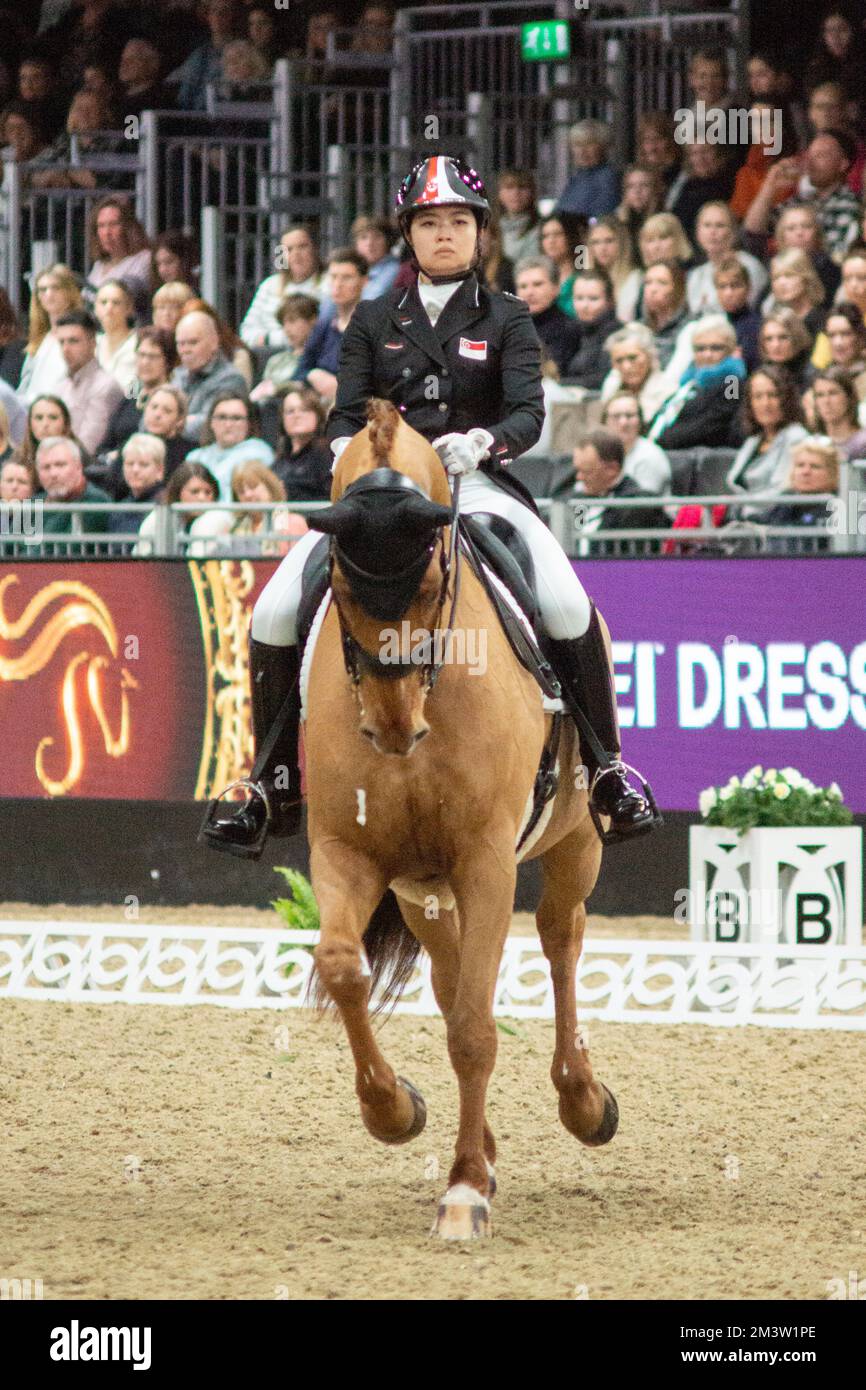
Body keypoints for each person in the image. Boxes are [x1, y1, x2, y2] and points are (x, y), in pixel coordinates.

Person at [202, 155, 661, 858]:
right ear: (409, 235)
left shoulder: (507, 315)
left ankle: (606, 769)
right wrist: (352, 460)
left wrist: (480, 443)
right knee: (271, 609)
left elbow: (529, 415)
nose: (443, 234)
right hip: (383, 494)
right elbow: (343, 415)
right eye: (428, 222)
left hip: (475, 487)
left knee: (567, 602)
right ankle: (271, 781)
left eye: (457, 222)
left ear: (479, 234)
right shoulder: (373, 318)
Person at [647, 315, 746, 451]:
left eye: (716, 348)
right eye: (700, 349)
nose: (707, 354)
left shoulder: (733, 381)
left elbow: (719, 420)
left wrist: (664, 439)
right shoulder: (688, 382)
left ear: (730, 350)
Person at [568, 429, 668, 556]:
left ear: (612, 469)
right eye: (578, 470)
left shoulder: (638, 506)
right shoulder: (579, 502)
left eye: (586, 472)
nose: (579, 477)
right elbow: (576, 534)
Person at [291, 248, 368, 401]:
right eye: (333, 277)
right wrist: (313, 375)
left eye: (347, 278)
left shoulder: (374, 327)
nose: (338, 284)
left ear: (364, 282)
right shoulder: (324, 326)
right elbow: (300, 371)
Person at [726, 365, 808, 495]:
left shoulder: (796, 437)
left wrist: (745, 506)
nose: (765, 403)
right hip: (741, 511)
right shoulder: (753, 440)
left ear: (787, 399)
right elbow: (733, 482)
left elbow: (783, 488)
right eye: (758, 396)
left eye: (773, 395)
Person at [239, 225, 325, 347]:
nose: (296, 254)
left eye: (302, 246)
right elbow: (246, 333)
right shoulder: (269, 285)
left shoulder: (331, 283)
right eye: (288, 249)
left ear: (315, 249)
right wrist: (273, 339)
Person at [753, 436, 840, 552]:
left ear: (832, 473)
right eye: (800, 465)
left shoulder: (839, 508)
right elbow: (761, 520)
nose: (805, 472)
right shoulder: (784, 501)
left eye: (815, 466)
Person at [55, 309, 124, 455]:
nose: (65, 349)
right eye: (61, 342)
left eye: (73, 341)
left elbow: (88, 447)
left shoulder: (106, 386)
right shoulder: (60, 384)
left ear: (93, 343)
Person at [172, 310, 248, 441]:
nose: (185, 350)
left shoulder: (231, 379)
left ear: (214, 342)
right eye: (181, 344)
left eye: (193, 342)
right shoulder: (178, 375)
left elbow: (209, 425)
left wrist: (170, 422)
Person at [186, 391, 274, 500]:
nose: (228, 424)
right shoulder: (195, 457)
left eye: (236, 418)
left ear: (249, 424)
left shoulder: (259, 452)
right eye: (222, 417)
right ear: (211, 422)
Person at [135, 459, 233, 556]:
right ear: (178, 493)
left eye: (208, 492)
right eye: (195, 491)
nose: (202, 498)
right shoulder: (158, 520)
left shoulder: (220, 520)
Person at [685, 201, 768, 314]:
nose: (712, 232)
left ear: (733, 232)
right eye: (707, 225)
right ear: (698, 233)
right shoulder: (697, 275)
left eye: (720, 225)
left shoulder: (749, 266)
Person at [18, 263, 84, 404]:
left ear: (69, 292)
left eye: (55, 288)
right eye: (42, 289)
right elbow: (24, 388)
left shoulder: (84, 338)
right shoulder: (40, 339)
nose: (48, 294)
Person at [35, 435, 111, 553]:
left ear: (78, 467)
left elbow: (68, 551)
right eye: (46, 467)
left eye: (60, 465)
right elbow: (7, 547)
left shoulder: (95, 502)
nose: (53, 473)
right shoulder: (32, 503)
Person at [513, 255, 577, 376]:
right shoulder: (511, 329)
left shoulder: (568, 329)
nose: (529, 292)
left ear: (556, 288)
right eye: (523, 286)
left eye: (537, 284)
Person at [249, 294, 320, 400]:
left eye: (292, 321)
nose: (286, 329)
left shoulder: (322, 359)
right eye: (283, 323)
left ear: (313, 320)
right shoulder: (275, 361)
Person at [600, 392, 671, 494]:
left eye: (629, 416)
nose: (623, 423)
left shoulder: (650, 456)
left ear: (640, 421)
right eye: (616, 416)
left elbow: (642, 506)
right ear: (604, 422)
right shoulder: (598, 453)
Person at [561, 269, 621, 390]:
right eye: (579, 298)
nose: (585, 306)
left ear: (609, 301)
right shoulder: (569, 331)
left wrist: (559, 384)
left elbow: (601, 379)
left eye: (593, 299)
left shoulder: (617, 334)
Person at [600, 323, 671, 422]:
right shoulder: (611, 385)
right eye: (619, 361)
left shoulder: (668, 391)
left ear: (649, 356)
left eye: (632, 358)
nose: (626, 367)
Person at [271, 386, 332, 500]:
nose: (297, 415)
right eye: (290, 411)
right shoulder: (280, 459)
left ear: (318, 415)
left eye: (304, 409)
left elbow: (333, 498)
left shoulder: (326, 455)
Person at [86, 195, 151, 301]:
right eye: (101, 225)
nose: (107, 232)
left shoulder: (144, 260)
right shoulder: (99, 265)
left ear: (128, 227)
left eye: (113, 224)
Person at [228, 460, 300, 556]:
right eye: (241, 491)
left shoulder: (292, 522)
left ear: (269, 487)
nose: (248, 495)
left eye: (253, 486)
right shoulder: (235, 527)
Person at [555, 120, 621, 221]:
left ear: (603, 147)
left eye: (589, 144)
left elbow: (601, 217)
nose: (582, 151)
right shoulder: (577, 177)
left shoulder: (608, 178)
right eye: (577, 145)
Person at [108, 432, 166, 539]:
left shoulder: (165, 505)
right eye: (129, 464)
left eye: (144, 464)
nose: (135, 470)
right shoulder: (119, 509)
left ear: (159, 470)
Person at [16, 394, 89, 475]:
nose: (45, 424)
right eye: (39, 418)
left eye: (53, 417)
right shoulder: (21, 456)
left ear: (65, 423)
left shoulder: (79, 457)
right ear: (30, 423)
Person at [762, 249, 827, 339]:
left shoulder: (822, 322)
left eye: (789, 275)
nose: (781, 283)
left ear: (806, 278)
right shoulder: (772, 322)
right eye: (776, 277)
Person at [713, 256, 762, 370]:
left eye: (735, 286)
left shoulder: (757, 327)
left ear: (748, 288)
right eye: (722, 286)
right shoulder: (713, 325)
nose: (728, 293)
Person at [808, 367, 866, 459]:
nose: (826, 401)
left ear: (849, 397)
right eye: (820, 395)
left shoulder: (863, 443)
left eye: (833, 393)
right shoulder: (811, 444)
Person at [94, 279, 139, 392]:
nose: (109, 308)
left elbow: (135, 390)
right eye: (103, 302)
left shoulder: (139, 344)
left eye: (116, 302)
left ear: (128, 308)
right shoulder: (92, 344)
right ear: (95, 308)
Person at [539, 213, 587, 319]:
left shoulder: (584, 273)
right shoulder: (538, 276)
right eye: (545, 236)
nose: (551, 241)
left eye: (558, 234)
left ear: (570, 236)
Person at [495, 169, 541, 264]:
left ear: (532, 193)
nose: (516, 193)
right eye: (509, 187)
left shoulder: (542, 229)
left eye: (522, 187)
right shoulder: (491, 228)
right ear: (500, 194)